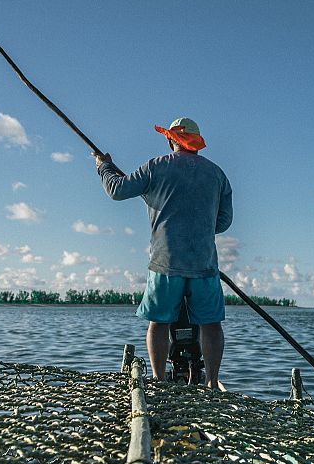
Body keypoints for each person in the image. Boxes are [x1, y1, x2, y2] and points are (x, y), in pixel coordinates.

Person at [95, 117, 232, 389]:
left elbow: (117, 189)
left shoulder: (156, 167)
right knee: (211, 324)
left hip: (165, 262)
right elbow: (224, 221)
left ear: (171, 140)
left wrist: (104, 167)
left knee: (158, 322)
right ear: (196, 142)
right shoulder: (217, 174)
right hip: (203, 263)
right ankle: (212, 382)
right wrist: (198, 228)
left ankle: (158, 380)